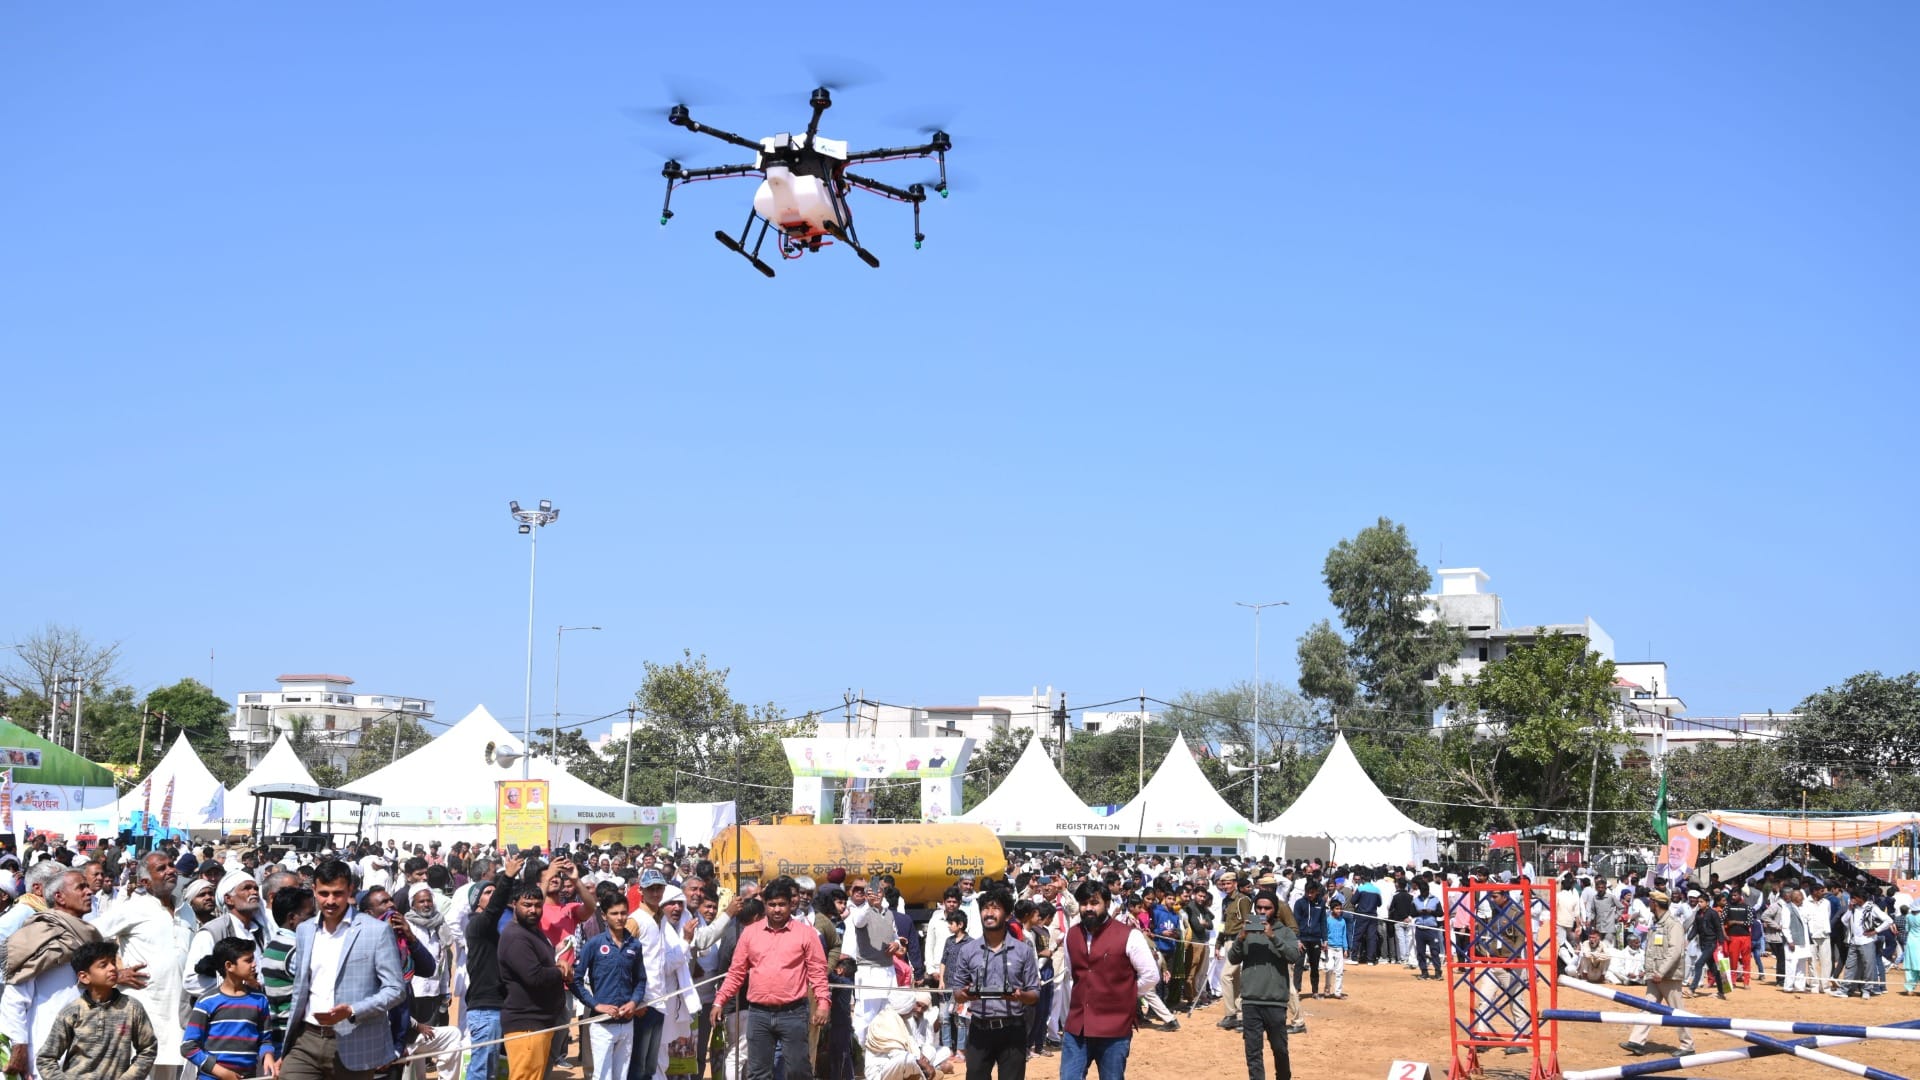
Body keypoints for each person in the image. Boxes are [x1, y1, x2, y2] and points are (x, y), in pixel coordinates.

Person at [282, 858, 407, 1080]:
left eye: (337, 893)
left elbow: (395, 989)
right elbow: (300, 988)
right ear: (314, 890)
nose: (330, 901)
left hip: (355, 1042)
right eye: (323, 893)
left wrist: (352, 1010)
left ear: (350, 889)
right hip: (306, 1040)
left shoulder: (376, 931)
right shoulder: (304, 931)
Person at [708, 876, 830, 1080]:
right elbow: (736, 972)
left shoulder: (806, 934)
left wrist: (823, 1003)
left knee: (799, 1071)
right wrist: (720, 1000)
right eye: (772, 904)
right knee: (758, 1073)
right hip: (758, 1014)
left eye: (782, 904)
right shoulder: (750, 934)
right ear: (764, 904)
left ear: (791, 904)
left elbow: (817, 972)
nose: (777, 909)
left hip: (794, 1012)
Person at [89, 852, 190, 1080]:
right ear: (145, 882)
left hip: (178, 1014)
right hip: (145, 1010)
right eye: (161, 868)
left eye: (171, 865)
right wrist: (113, 975)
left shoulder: (186, 911)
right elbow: (89, 936)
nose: (170, 870)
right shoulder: (133, 908)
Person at [32, 941, 156, 1080]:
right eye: (103, 965)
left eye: (113, 963)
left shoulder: (132, 1008)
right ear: (84, 977)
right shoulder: (72, 1012)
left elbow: (148, 1049)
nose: (112, 968)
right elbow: (45, 1058)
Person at [949, 888, 1037, 1080]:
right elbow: (957, 992)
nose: (989, 913)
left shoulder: (1023, 951)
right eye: (985, 908)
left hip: (1013, 1028)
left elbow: (1034, 994)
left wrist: (1019, 995)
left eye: (996, 908)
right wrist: (965, 994)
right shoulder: (968, 950)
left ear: (1007, 915)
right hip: (979, 1029)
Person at [462, 854, 524, 1080]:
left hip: (500, 1007)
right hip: (485, 1010)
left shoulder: (495, 929)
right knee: (480, 1071)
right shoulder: (477, 924)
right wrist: (506, 876)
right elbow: (495, 908)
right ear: (477, 901)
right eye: (487, 892)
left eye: (493, 891)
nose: (494, 895)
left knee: (493, 1072)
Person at [574, 889, 647, 1080]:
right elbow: (575, 979)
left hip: (627, 1022)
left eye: (623, 913)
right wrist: (596, 1004)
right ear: (604, 916)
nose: (620, 917)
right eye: (614, 913)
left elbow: (641, 980)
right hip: (601, 1024)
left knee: (621, 1075)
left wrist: (633, 1002)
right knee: (602, 1076)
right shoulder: (594, 944)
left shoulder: (635, 945)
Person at [500, 883, 571, 1080]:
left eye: (538, 905)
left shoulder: (533, 931)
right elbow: (534, 977)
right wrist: (559, 970)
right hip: (526, 1024)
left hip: (540, 1021)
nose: (533, 910)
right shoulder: (515, 936)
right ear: (514, 904)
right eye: (527, 904)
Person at [182, 937, 278, 1080]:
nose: (254, 965)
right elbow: (188, 1047)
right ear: (229, 966)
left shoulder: (260, 1000)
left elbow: (265, 1040)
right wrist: (221, 1072)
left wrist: (268, 1056)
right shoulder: (207, 1002)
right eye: (248, 960)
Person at [1229, 889, 1301, 1080]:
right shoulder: (1247, 931)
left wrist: (1273, 937)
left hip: (1275, 1002)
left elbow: (1294, 956)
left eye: (1267, 908)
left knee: (1280, 1049)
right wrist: (1241, 937)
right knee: (1253, 1053)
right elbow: (1233, 958)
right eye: (1259, 907)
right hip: (1251, 1001)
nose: (1262, 911)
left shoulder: (1285, 932)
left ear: (1274, 909)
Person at [1620, 891, 1691, 1057]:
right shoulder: (1656, 923)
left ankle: (1688, 1045)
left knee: (1676, 1011)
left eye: (1651, 902)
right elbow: (1653, 950)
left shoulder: (1673, 925)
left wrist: (1661, 971)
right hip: (1654, 975)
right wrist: (1650, 970)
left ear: (1656, 904)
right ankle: (1637, 1042)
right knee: (1647, 1007)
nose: (1649, 905)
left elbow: (1674, 952)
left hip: (1669, 976)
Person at [861, 989, 954, 1080]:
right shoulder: (886, 1019)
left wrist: (923, 1059)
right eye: (912, 1006)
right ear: (904, 1006)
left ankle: (922, 1074)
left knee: (929, 1052)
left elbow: (912, 1044)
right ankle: (923, 1076)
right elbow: (897, 1053)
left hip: (898, 1066)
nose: (914, 1009)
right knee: (906, 1059)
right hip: (879, 1072)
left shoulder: (903, 1020)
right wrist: (924, 1064)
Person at [1323, 897, 1350, 999]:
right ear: (1332, 909)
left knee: (1339, 971)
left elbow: (1344, 935)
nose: (1339, 911)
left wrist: (1346, 949)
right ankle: (1327, 988)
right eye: (1337, 909)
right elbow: (1325, 933)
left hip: (1339, 948)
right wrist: (1323, 944)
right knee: (1329, 968)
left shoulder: (1343, 921)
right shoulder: (1328, 920)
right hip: (1329, 948)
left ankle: (1338, 992)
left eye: (1340, 908)